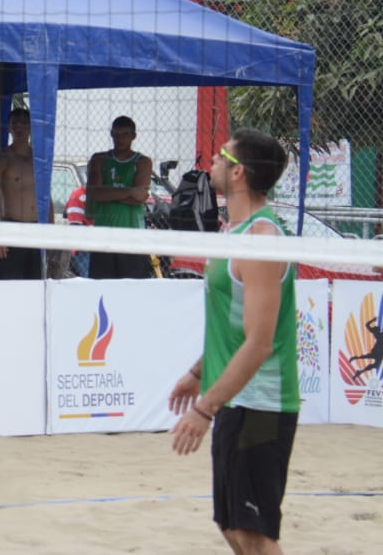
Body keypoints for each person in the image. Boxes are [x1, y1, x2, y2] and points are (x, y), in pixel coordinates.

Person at [169, 128, 299, 554]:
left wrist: (204, 411)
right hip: (233, 396)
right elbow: (234, 329)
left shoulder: (263, 241)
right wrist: (197, 373)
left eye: (220, 156)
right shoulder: (234, 234)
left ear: (239, 172)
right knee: (231, 526)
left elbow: (260, 343)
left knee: (255, 535)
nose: (212, 163)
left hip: (262, 404)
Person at [86, 116, 153, 279]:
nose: (120, 139)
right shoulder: (99, 159)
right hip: (103, 236)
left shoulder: (143, 161)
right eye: (116, 134)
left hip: (132, 237)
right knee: (101, 289)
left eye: (125, 134)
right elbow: (95, 193)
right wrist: (131, 192)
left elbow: (140, 197)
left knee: (132, 290)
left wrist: (108, 193)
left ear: (133, 136)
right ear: (111, 134)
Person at [0, 107, 48, 280]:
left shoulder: (39, 159)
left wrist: (51, 232)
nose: (20, 128)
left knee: (35, 284)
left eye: (24, 124)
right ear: (9, 128)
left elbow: (46, 197)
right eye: (15, 124)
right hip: (11, 228)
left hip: (36, 230)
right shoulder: (2, 158)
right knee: (10, 283)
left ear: (31, 128)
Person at [64, 183, 92, 277]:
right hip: (83, 247)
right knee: (87, 278)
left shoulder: (95, 194)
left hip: (95, 245)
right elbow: (75, 226)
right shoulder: (79, 195)